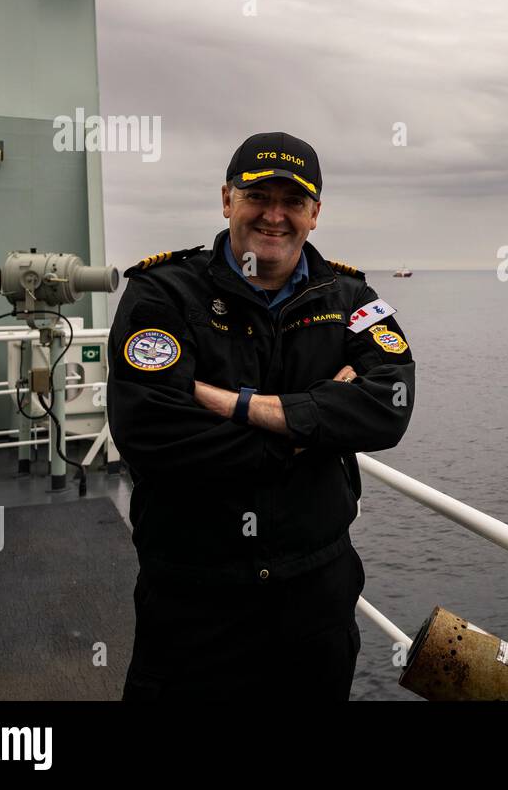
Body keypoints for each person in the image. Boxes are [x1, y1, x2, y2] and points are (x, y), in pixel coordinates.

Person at [107, 130, 415, 700]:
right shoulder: (164, 295)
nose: (275, 215)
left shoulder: (350, 297)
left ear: (315, 213)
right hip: (193, 597)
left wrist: (238, 407)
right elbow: (152, 434)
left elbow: (388, 409)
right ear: (227, 200)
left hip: (315, 595)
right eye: (257, 196)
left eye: (293, 202)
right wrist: (310, 431)